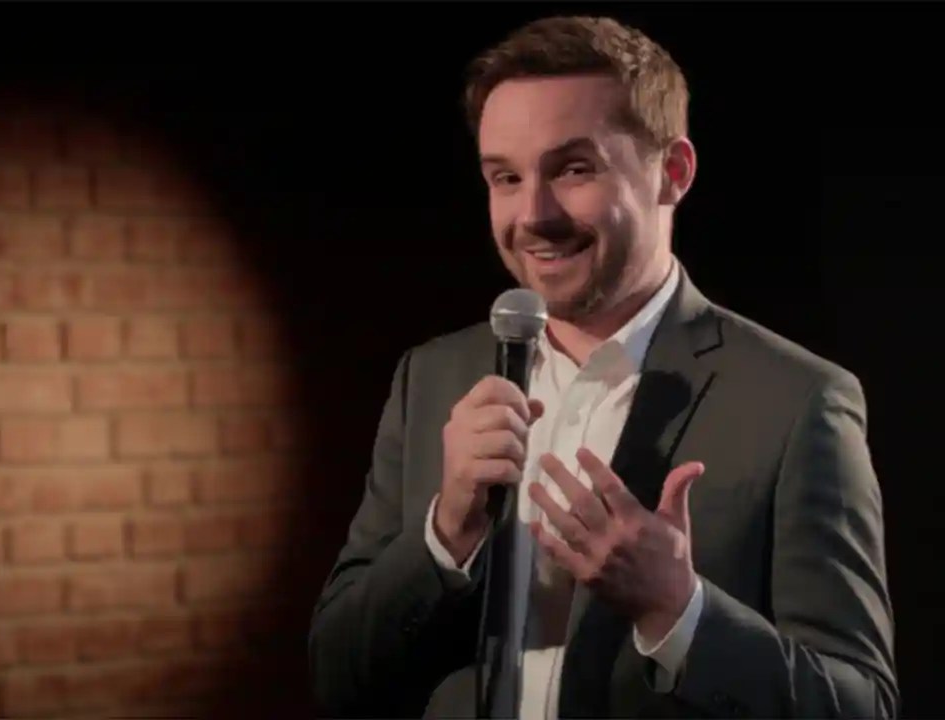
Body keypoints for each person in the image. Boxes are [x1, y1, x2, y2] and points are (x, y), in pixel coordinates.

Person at [308, 15, 897, 719]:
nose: (533, 215)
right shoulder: (433, 377)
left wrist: (679, 610)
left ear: (672, 173)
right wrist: (446, 533)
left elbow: (860, 705)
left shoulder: (798, 401)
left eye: (574, 169)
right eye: (506, 177)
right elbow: (336, 677)